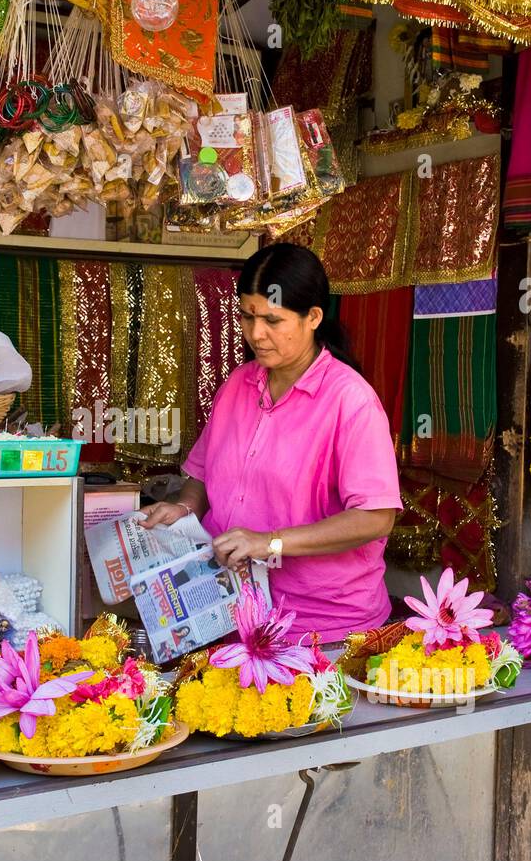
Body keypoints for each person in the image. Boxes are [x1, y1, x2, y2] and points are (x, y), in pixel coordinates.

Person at [140, 243, 402, 642]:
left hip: (320, 624)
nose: (255, 334)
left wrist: (269, 543)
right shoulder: (238, 385)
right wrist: (184, 507)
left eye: (272, 320)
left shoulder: (350, 401)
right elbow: (204, 474)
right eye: (247, 316)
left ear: (313, 316)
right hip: (232, 608)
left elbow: (375, 517)